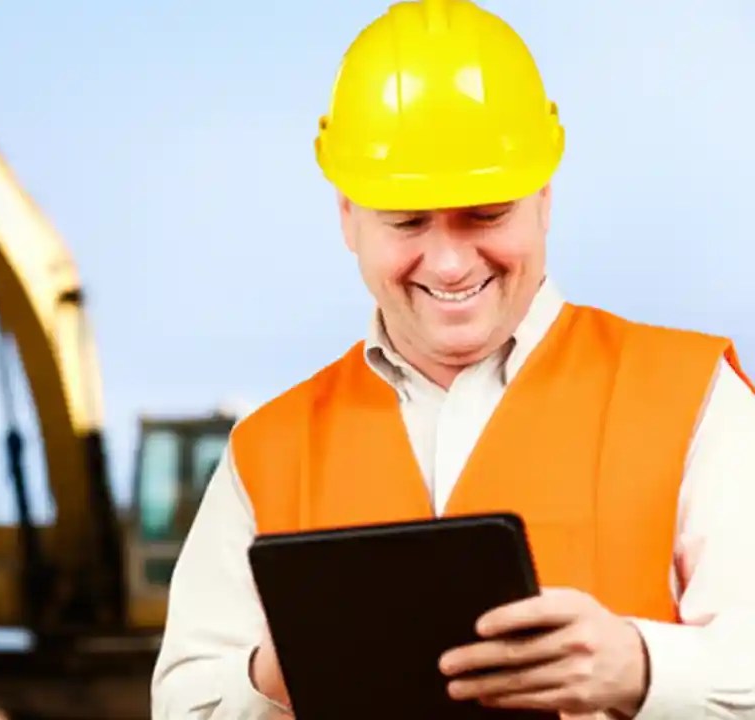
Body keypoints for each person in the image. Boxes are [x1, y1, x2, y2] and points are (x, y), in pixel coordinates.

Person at [149, 0, 755, 717]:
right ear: (347, 216)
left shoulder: (694, 400)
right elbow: (185, 703)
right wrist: (273, 674)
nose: (449, 263)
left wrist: (640, 668)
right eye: (408, 221)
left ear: (544, 197)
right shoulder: (270, 450)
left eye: (487, 213)